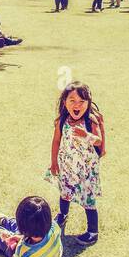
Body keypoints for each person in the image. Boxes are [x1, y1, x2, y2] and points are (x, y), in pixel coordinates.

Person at [48, 83, 105, 245]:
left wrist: (86, 135)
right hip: (67, 166)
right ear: (64, 102)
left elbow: (98, 140)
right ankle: (62, 214)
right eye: (72, 100)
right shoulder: (62, 120)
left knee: (88, 200)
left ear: (88, 102)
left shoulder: (91, 120)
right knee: (64, 191)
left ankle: (92, 231)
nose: (77, 105)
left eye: (82, 101)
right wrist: (54, 162)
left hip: (86, 170)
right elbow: (56, 141)